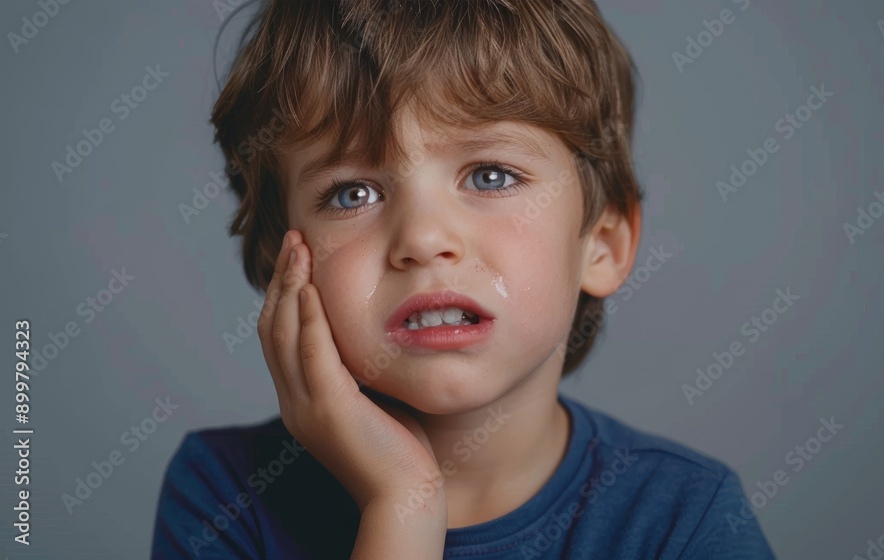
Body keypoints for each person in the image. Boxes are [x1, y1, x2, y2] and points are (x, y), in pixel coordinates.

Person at [152, 0, 776, 557]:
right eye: (354, 192)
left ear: (602, 246)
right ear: (281, 264)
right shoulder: (224, 494)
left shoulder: (685, 519)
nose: (423, 239)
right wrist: (403, 504)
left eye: (491, 176)